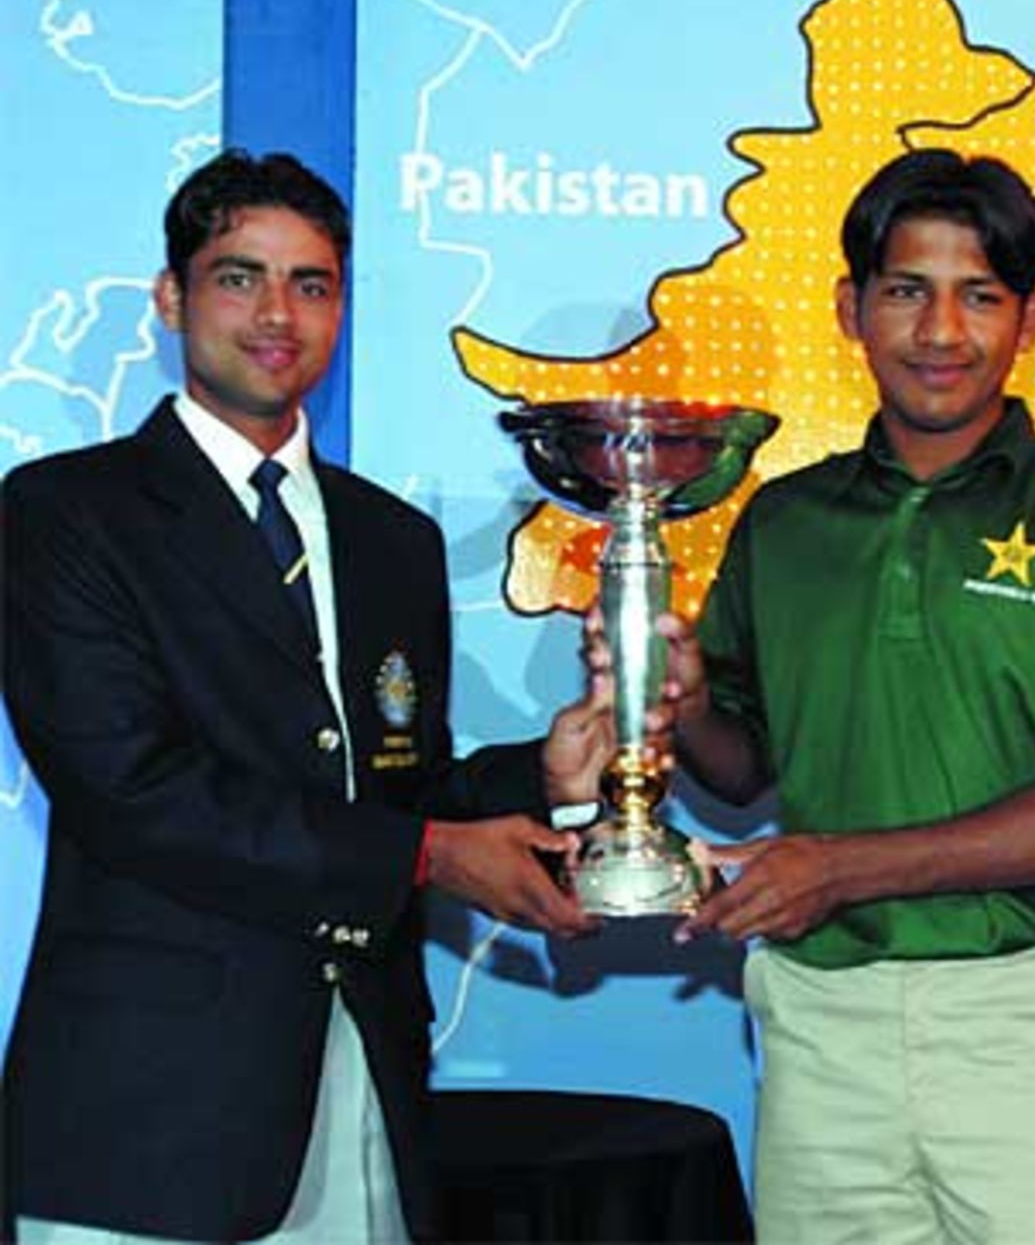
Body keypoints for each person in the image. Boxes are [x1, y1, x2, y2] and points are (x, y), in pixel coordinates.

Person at [2, 150, 609, 1244]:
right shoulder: (64, 516)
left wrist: (545, 774)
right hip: (148, 1124)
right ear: (171, 298)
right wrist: (427, 857)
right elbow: (135, 796)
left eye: (312, 284)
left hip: (360, 1084)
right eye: (240, 277)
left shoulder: (392, 538)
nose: (278, 313)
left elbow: (392, 785)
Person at [656, 149, 1035, 1243]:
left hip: (1026, 1016)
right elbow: (741, 768)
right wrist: (685, 703)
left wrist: (841, 866)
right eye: (907, 290)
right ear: (852, 310)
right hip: (820, 1018)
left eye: (979, 296)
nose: (941, 332)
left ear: (1031, 317)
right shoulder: (785, 520)